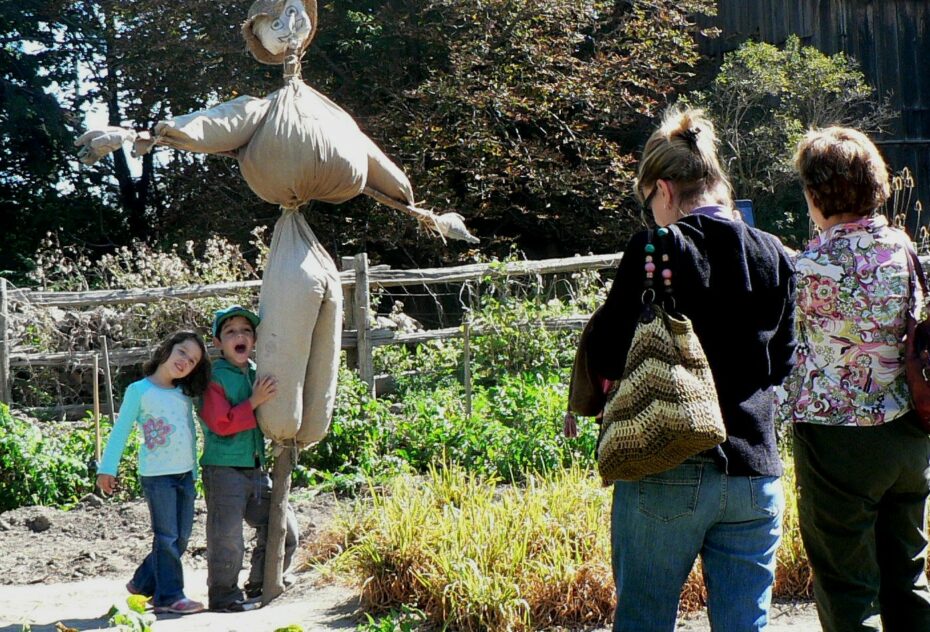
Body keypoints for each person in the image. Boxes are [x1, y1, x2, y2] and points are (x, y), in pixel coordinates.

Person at [577, 107, 797, 631]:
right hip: (756, 472)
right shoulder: (774, 253)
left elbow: (608, 353)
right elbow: (784, 362)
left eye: (646, 201)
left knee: (645, 622)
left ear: (663, 189)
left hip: (668, 464)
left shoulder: (657, 248)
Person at [781, 126, 930, 632]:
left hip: (836, 442)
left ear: (816, 194)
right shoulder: (901, 248)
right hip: (909, 430)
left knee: (849, 589)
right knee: (908, 577)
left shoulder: (807, 266)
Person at [96, 331, 211, 615]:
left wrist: (195, 472)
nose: (185, 361)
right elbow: (120, 431)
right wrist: (107, 469)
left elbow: (190, 435)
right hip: (157, 476)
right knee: (166, 537)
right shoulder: (139, 390)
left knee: (180, 538)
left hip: (185, 475)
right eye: (182, 352)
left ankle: (142, 581)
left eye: (193, 360)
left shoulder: (184, 395)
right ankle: (170, 596)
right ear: (167, 349)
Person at [198, 305, 299, 612]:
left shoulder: (259, 372)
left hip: (256, 469)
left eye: (246, 331)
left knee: (284, 527)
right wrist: (254, 401)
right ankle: (223, 595)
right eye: (230, 332)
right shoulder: (213, 377)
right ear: (218, 343)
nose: (239, 336)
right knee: (227, 538)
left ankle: (262, 580)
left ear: (254, 340)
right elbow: (221, 423)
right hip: (223, 468)